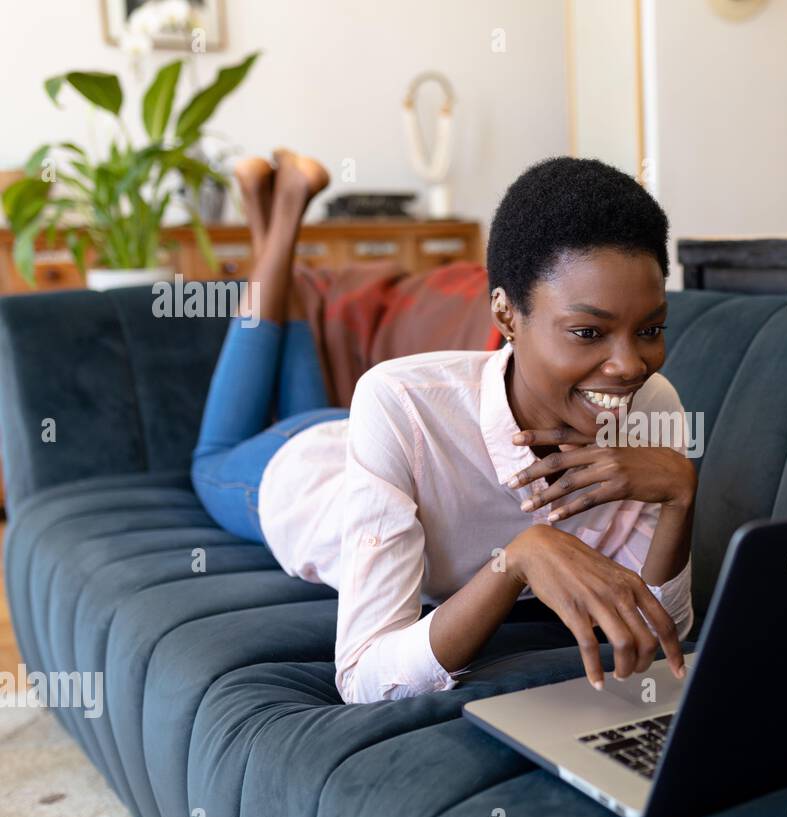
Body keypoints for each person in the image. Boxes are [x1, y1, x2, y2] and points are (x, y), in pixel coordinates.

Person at [190, 153, 695, 706]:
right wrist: (516, 560)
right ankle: (281, 223)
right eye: (587, 332)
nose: (629, 366)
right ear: (505, 315)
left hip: (373, 446)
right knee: (210, 458)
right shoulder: (400, 398)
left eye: (650, 328)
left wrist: (679, 495)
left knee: (302, 401)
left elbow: (660, 631)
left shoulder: (651, 406)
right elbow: (362, 678)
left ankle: (276, 217)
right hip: (305, 469)